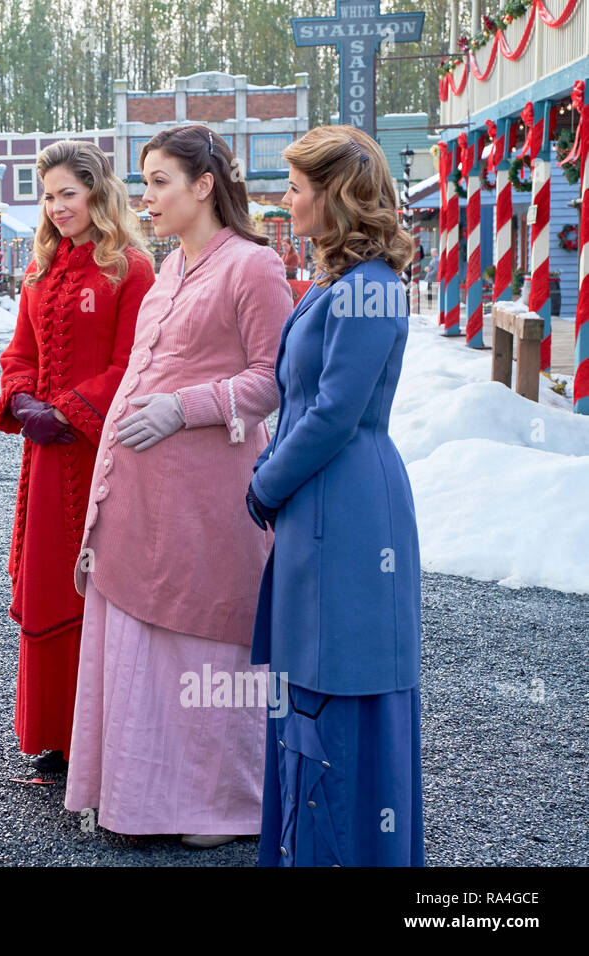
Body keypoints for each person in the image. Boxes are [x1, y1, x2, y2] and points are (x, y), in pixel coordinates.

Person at [63, 125, 291, 848]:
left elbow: (272, 378)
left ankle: (223, 806)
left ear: (204, 185)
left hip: (205, 501)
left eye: (160, 181)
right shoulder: (170, 268)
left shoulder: (253, 267)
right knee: (148, 643)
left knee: (204, 638)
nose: (144, 197)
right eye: (143, 180)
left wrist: (182, 409)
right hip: (142, 505)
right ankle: (146, 799)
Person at [246, 125, 423, 867]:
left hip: (347, 505)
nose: (286, 202)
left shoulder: (372, 289)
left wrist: (265, 482)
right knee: (309, 682)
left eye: (295, 187)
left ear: (337, 194)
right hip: (324, 498)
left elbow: (334, 412)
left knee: (337, 684)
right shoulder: (344, 283)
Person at [0, 140, 155, 774]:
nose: (58, 207)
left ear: (96, 192)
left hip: (99, 455)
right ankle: (59, 732)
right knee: (49, 581)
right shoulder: (40, 269)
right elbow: (19, 352)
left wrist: (69, 410)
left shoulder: (131, 269)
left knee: (99, 581)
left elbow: (131, 366)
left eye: (69, 193)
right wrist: (25, 397)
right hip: (46, 455)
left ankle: (104, 731)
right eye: (49, 195)